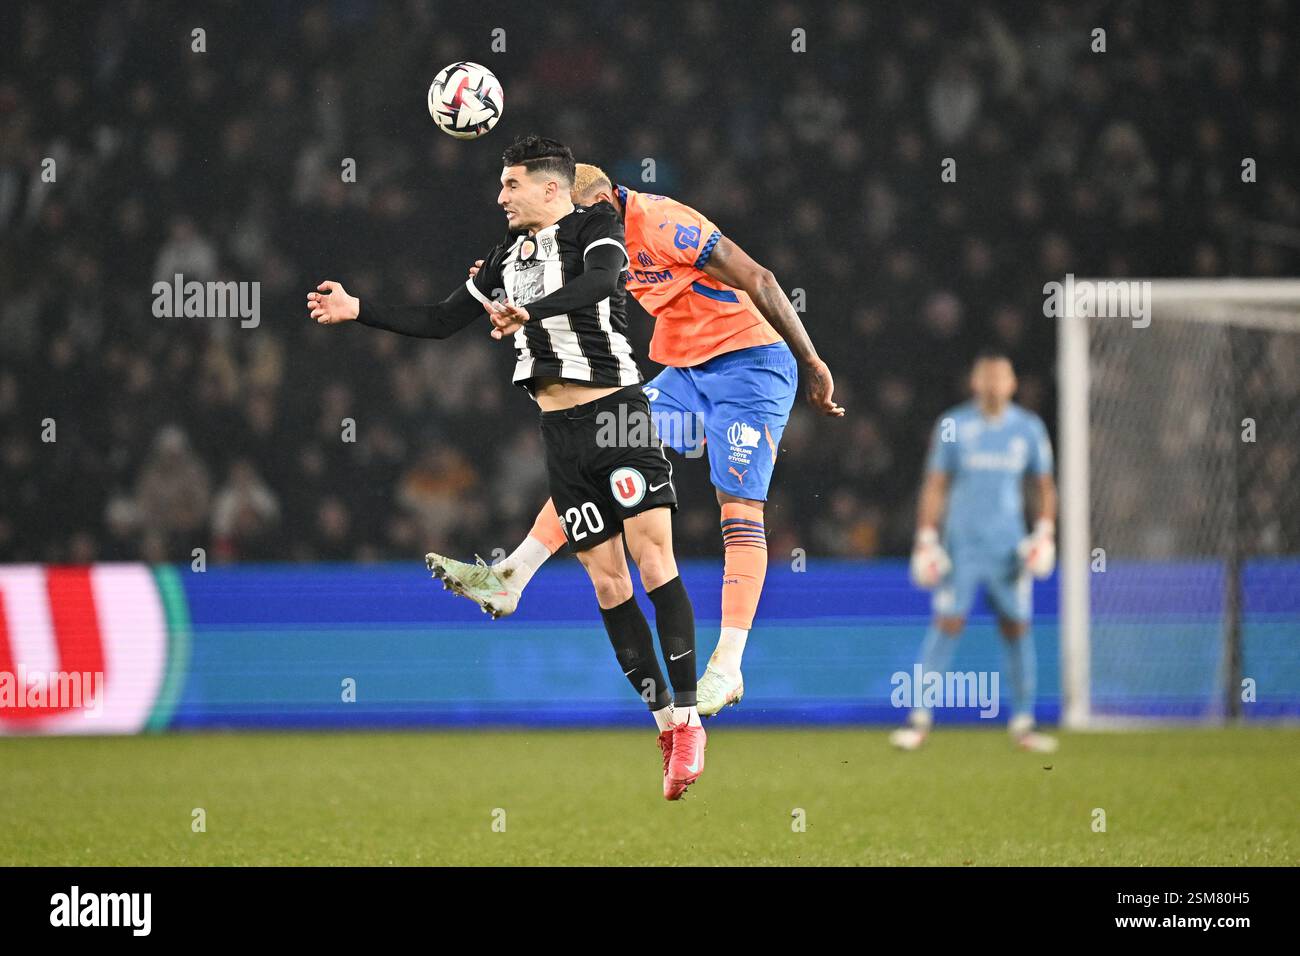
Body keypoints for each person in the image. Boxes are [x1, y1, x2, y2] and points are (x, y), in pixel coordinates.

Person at [308, 135, 706, 799]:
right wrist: (359, 311)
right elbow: (439, 321)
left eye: (511, 184)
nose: (499, 196)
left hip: (618, 416)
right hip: (562, 434)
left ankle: (691, 718)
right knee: (608, 587)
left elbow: (606, 281)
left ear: (550, 188)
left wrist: (534, 311)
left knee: (653, 560)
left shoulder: (593, 226)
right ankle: (663, 724)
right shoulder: (501, 260)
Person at [426, 162, 844, 717]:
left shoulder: (664, 222)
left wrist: (810, 360)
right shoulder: (595, 239)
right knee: (602, 449)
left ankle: (728, 665)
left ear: (601, 204)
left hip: (753, 366)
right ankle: (512, 576)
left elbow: (760, 278)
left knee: (738, 508)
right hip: (686, 372)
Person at [892, 349, 1059, 753]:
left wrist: (1044, 532)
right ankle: (919, 719)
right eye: (986, 377)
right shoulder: (954, 425)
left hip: (1009, 549)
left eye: (1001, 377)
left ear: (1012, 384)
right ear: (975, 382)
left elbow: (1043, 485)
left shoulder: (1028, 428)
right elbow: (935, 483)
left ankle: (1023, 722)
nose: (993, 384)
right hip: (962, 545)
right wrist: (926, 537)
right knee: (947, 624)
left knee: (1016, 627)